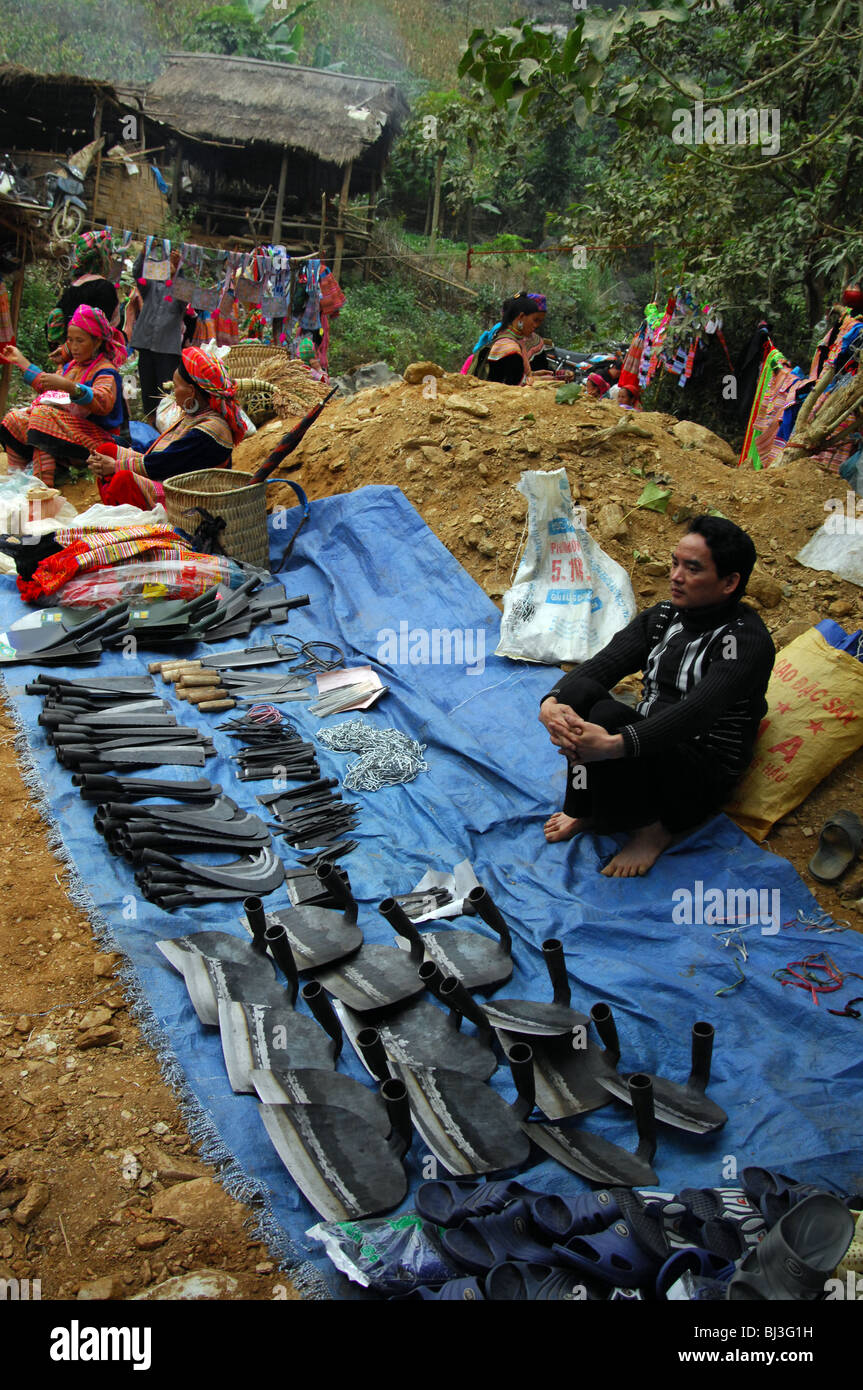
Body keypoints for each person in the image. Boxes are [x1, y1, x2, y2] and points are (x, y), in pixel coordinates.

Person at [539, 516, 775, 877]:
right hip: (647, 748)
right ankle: (582, 806)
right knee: (579, 697)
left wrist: (615, 743)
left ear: (729, 582)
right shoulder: (665, 617)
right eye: (675, 563)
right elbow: (602, 666)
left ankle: (651, 830)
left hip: (698, 775)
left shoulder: (741, 641)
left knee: (606, 716)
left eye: (692, 568)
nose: (676, 576)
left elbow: (698, 711)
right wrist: (551, 704)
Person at [88, 345, 248, 509]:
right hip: (171, 474)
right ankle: (117, 508)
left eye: (176, 386)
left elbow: (165, 463)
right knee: (107, 451)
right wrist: (110, 460)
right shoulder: (197, 415)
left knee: (123, 481)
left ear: (191, 391)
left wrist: (115, 466)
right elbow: (165, 453)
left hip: (188, 498)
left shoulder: (210, 430)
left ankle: (130, 520)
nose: (173, 391)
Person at [0, 304, 127, 487]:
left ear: (97, 342)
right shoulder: (71, 366)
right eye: (70, 340)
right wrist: (20, 360)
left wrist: (70, 387)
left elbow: (103, 402)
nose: (74, 347)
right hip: (62, 432)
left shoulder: (106, 371)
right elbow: (48, 388)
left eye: (80, 341)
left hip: (98, 441)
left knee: (42, 417)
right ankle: (18, 480)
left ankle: (42, 487)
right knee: (14, 419)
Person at [128, 248, 196, 421]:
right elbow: (137, 273)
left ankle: (164, 428)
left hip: (167, 349)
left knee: (165, 394)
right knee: (148, 392)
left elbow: (185, 296)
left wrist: (178, 271)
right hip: (146, 345)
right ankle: (150, 426)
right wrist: (143, 253)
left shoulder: (180, 290)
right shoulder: (151, 286)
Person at [45, 231, 119, 361]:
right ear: (103, 258)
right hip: (92, 362)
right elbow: (100, 329)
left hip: (68, 359)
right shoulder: (105, 289)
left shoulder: (72, 289)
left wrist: (64, 351)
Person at [484, 294, 557, 385]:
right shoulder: (509, 347)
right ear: (521, 317)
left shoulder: (515, 341)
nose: (536, 326)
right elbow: (511, 384)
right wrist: (536, 379)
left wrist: (533, 375)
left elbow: (515, 375)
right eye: (534, 320)